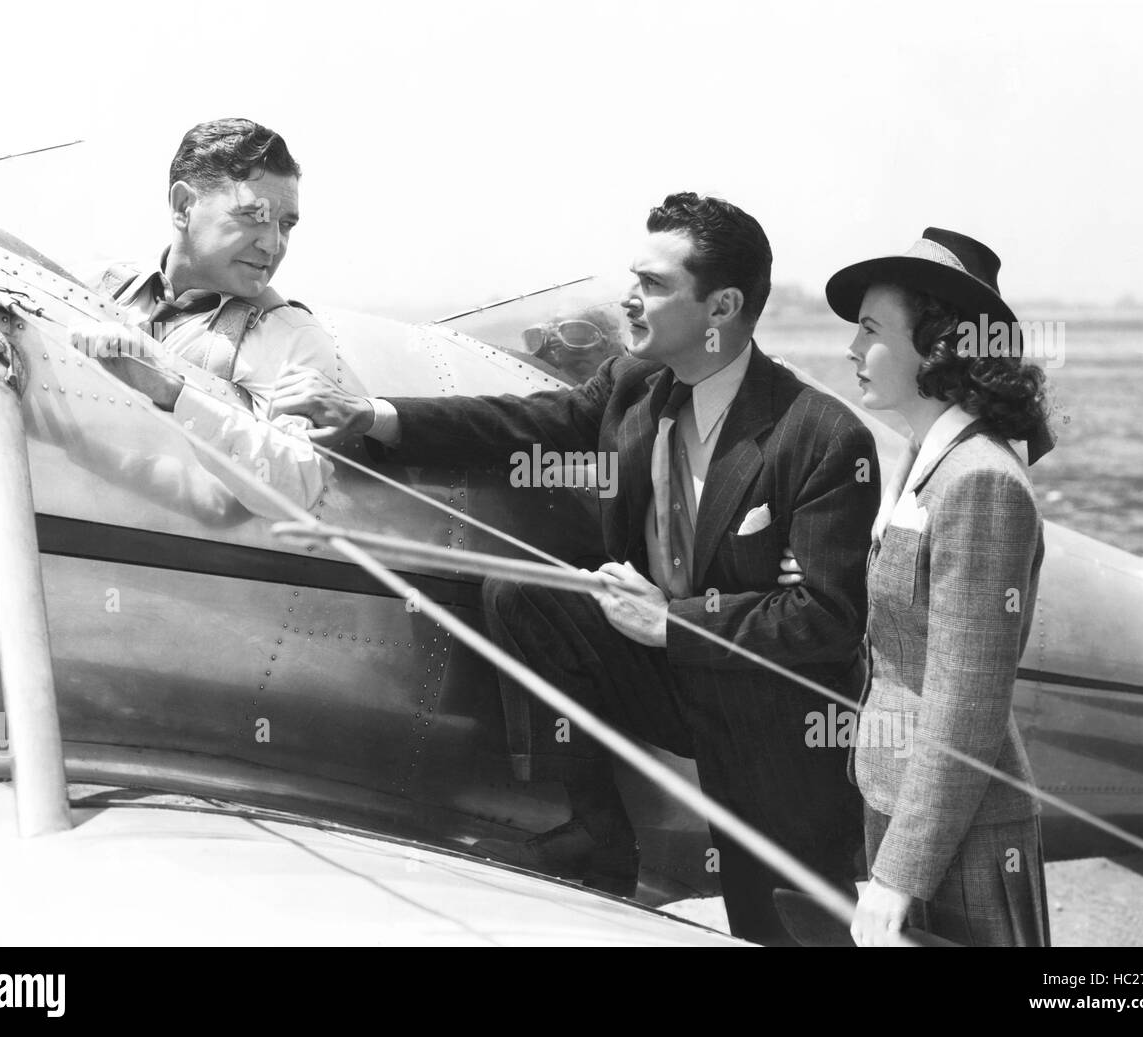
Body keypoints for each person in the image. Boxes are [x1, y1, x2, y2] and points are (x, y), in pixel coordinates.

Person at [272, 193, 880, 944]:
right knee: (527, 594)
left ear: (722, 305)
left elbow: (827, 618)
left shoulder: (822, 437)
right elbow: (531, 425)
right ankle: (597, 831)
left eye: (654, 284)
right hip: (659, 681)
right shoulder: (634, 383)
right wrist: (375, 416)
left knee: (786, 932)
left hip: (768, 721)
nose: (629, 296)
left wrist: (673, 622)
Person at [825, 227, 1054, 947]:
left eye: (869, 329)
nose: (851, 349)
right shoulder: (923, 457)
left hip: (963, 837)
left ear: (938, 347)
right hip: (904, 804)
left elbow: (966, 705)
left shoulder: (979, 479)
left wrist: (899, 874)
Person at [70, 118, 338, 515]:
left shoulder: (292, 336)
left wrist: (174, 391)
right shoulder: (91, 287)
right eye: (254, 215)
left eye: (286, 225)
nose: (273, 244)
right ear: (183, 207)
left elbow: (299, 485)